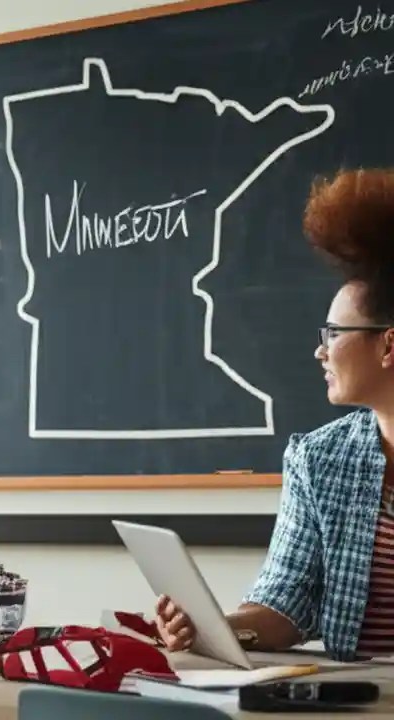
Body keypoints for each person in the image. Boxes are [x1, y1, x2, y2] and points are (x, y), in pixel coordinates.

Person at [156, 168, 394, 662]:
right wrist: (214, 628)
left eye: (333, 333)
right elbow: (285, 603)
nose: (319, 351)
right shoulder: (319, 459)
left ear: (388, 344)